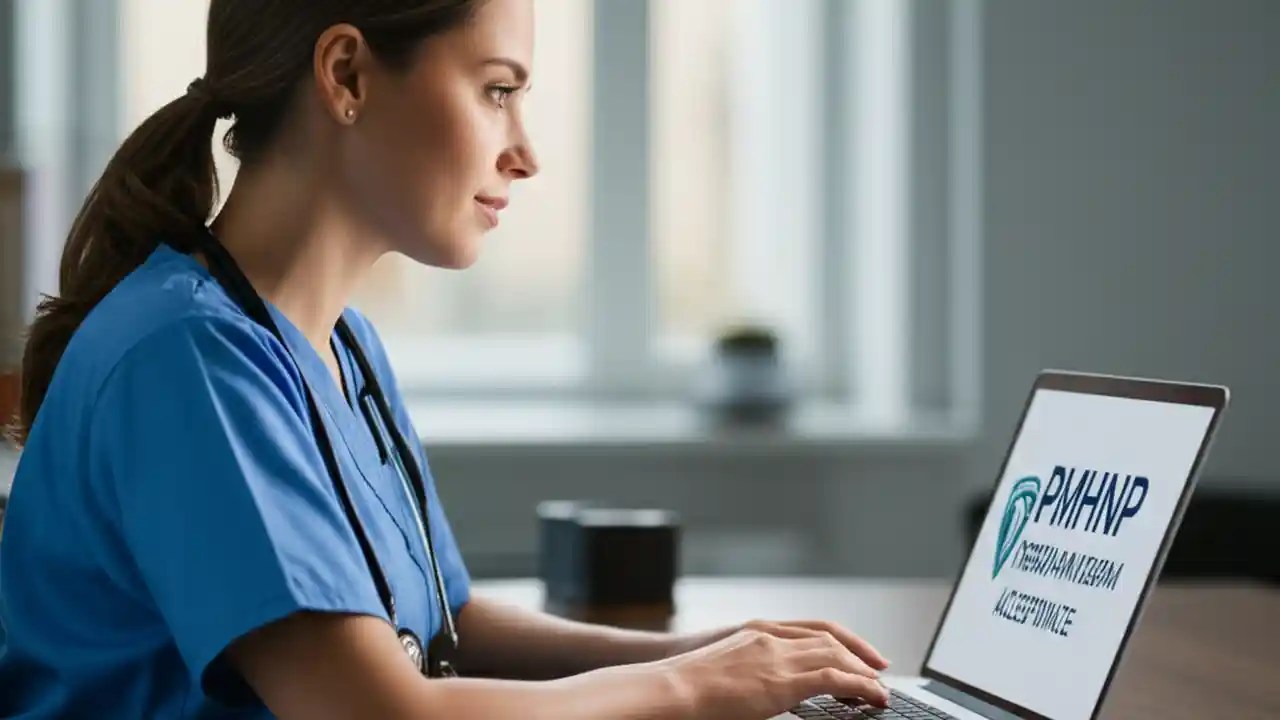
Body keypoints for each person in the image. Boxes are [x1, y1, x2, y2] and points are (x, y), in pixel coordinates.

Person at [0, 1, 891, 717]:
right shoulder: (188, 358)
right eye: (498, 90)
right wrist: (689, 690)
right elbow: (371, 710)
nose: (528, 152)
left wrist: (713, 654)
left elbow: (446, 626)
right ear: (346, 74)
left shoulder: (341, 346)